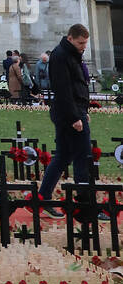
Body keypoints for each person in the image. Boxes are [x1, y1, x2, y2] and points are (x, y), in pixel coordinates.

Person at [38, 23, 92, 215]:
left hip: (71, 112)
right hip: (69, 114)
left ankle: (43, 197)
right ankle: (85, 204)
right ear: (70, 38)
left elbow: (77, 86)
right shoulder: (61, 56)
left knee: (63, 157)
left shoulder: (71, 53)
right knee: (83, 156)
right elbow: (63, 90)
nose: (83, 46)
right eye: (80, 42)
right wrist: (75, 117)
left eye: (85, 43)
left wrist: (83, 110)